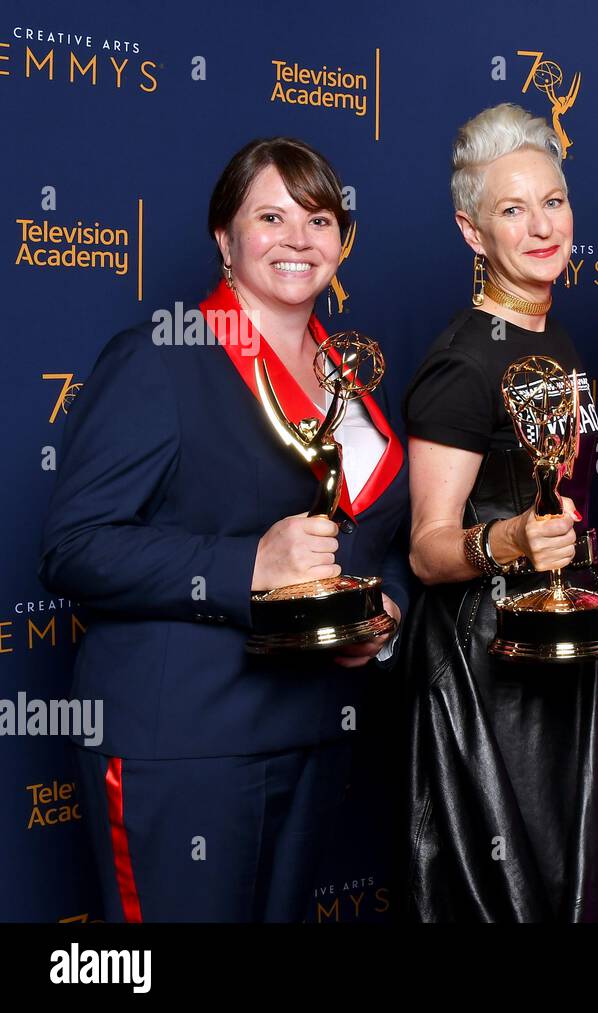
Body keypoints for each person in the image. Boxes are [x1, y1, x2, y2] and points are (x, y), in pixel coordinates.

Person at [39, 137, 409, 922]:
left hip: (312, 736)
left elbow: (378, 541)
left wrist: (384, 621)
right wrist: (250, 564)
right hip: (184, 746)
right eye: (270, 217)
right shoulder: (160, 359)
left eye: (318, 219)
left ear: (342, 240)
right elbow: (74, 545)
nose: (298, 238)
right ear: (225, 239)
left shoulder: (346, 383)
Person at [399, 103, 598, 922]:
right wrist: (511, 540)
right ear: (472, 232)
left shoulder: (555, 335)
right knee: (506, 897)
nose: (540, 227)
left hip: (561, 653)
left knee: (571, 889)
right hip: (485, 668)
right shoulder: (461, 363)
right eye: (511, 209)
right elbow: (427, 548)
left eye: (554, 202)